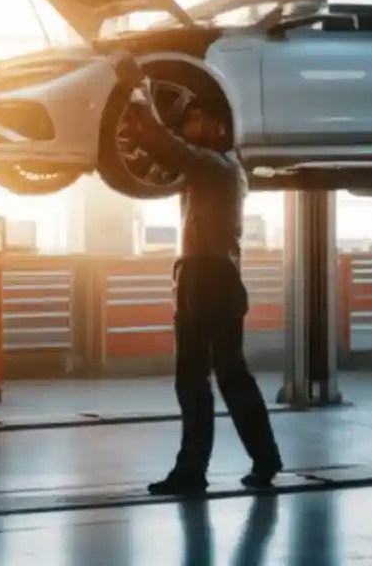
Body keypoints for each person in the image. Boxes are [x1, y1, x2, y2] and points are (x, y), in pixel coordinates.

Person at [113, 55, 283, 495]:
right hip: (209, 276)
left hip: (209, 278)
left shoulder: (216, 167)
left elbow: (160, 142)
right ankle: (260, 460)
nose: (187, 126)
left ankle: (197, 470)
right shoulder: (220, 167)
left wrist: (138, 88)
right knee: (226, 374)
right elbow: (161, 151)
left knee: (200, 378)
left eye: (194, 120)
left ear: (218, 128)